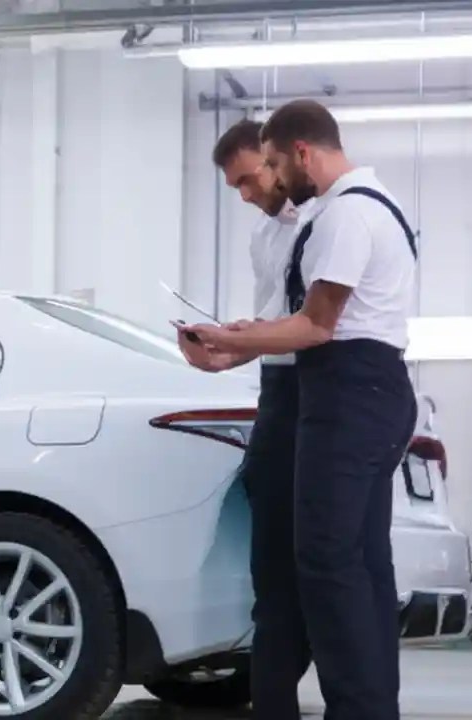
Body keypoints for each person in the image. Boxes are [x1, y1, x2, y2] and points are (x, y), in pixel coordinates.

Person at [185, 99, 417, 720]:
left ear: (301, 153)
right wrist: (236, 345)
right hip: (357, 389)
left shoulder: (346, 214)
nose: (273, 180)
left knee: (329, 562)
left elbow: (316, 325)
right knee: (356, 562)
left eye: (271, 165)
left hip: (349, 391)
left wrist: (231, 339)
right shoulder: (360, 207)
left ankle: (358, 707)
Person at [176, 118, 311, 720]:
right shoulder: (263, 238)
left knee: (322, 567)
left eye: (250, 179)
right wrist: (222, 351)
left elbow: (315, 326)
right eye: (235, 187)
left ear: (279, 159)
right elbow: (271, 329)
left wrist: (247, 340)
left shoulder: (326, 221)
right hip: (278, 395)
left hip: (328, 393)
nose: (247, 194)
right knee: (272, 568)